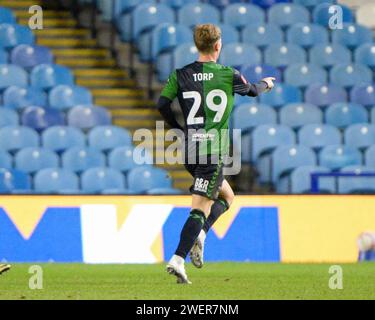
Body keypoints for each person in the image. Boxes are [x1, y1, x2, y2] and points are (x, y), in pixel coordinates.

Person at [157, 24, 275, 284]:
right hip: (212, 152)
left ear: (197, 45)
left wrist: (178, 128)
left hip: (190, 150)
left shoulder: (181, 74)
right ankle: (178, 259)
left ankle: (202, 233)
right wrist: (266, 84)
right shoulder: (227, 74)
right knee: (199, 208)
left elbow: (162, 104)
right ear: (218, 46)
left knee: (228, 196)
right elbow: (253, 91)